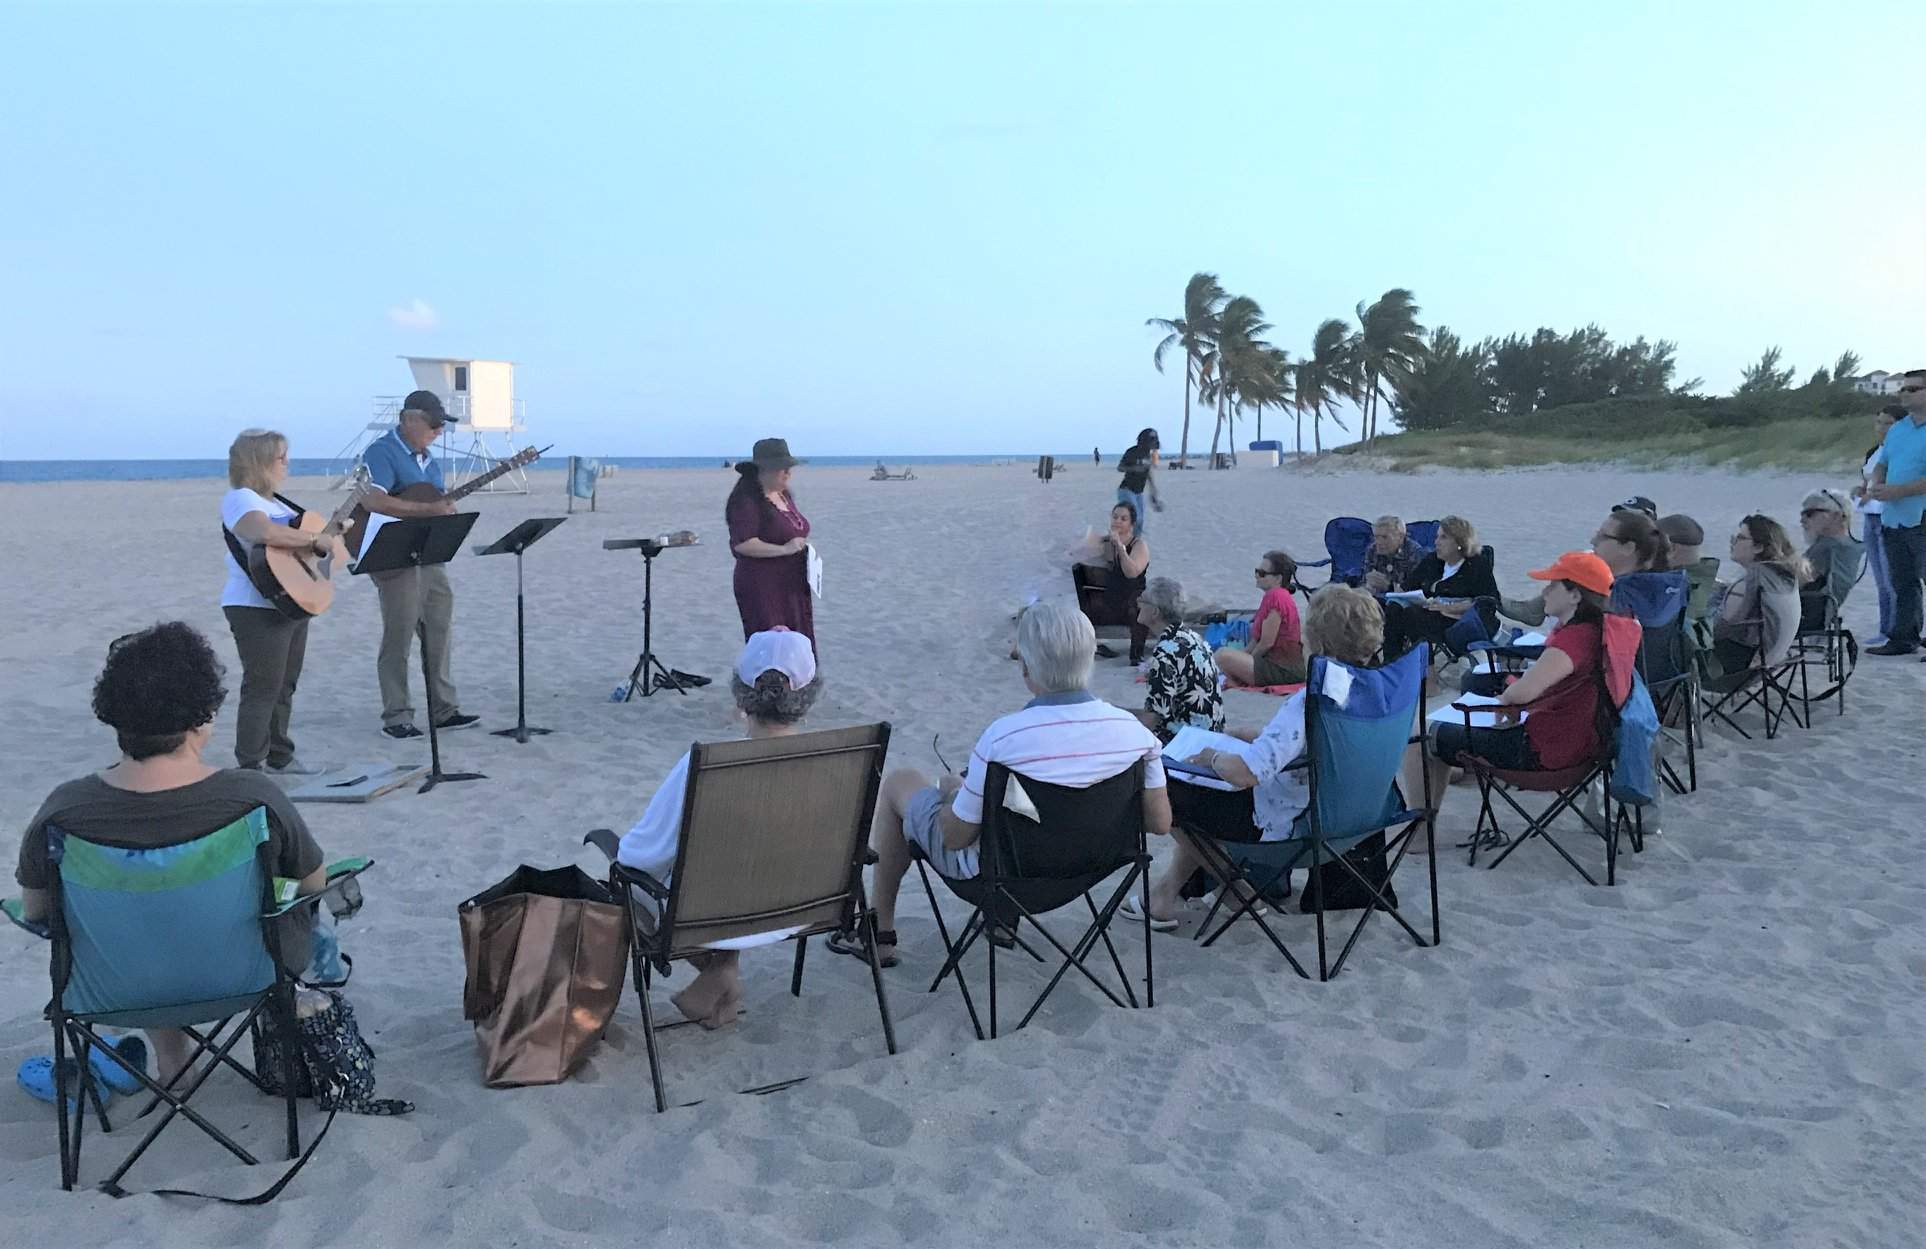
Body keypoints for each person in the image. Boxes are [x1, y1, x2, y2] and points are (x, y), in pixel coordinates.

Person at [14, 623, 327, 1086]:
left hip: (114, 989)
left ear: (114, 717)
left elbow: (38, 911)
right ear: (202, 719)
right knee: (289, 903)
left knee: (140, 917)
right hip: (246, 977)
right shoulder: (251, 797)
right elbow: (314, 883)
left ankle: (173, 1061)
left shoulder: (66, 810)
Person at [852, 597, 1171, 968]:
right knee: (1012, 808)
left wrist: (951, 795)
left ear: (1029, 669)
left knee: (901, 783)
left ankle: (881, 934)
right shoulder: (1135, 735)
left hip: (1000, 877)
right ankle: (1002, 922)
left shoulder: (1005, 739)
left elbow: (956, 838)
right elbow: (1159, 824)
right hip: (1088, 869)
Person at [1130, 586, 1386, 927]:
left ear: (1317, 641)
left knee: (1173, 793)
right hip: (1358, 816)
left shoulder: (1311, 700)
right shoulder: (1374, 692)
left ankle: (1238, 892)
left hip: (1294, 826)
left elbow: (1245, 773)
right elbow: (1313, 745)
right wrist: (1255, 736)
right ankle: (1166, 897)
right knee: (1197, 794)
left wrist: (1213, 756)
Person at [617, 630, 821, 1028]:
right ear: (810, 697)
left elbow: (638, 856)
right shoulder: (837, 763)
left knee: (629, 880)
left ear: (741, 695)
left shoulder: (707, 767)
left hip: (711, 915)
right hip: (803, 907)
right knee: (745, 863)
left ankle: (721, 973)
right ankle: (722, 975)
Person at [1408, 552, 1622, 812]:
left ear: (1575, 596)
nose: (1545, 591)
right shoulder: (1597, 632)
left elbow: (1520, 695)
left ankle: (1419, 835)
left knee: (1422, 738)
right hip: (1581, 746)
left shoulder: (1573, 641)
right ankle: (1458, 763)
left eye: (1553, 585)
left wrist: (1506, 697)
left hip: (1543, 754)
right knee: (1478, 690)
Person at [357, 390, 477, 740]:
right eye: (434, 424)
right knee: (400, 632)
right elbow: (374, 500)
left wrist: (444, 511)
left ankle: (444, 709)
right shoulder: (382, 451)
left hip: (431, 553)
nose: (439, 431)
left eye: (443, 426)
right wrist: (428, 510)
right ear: (410, 419)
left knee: (439, 628)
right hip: (394, 555)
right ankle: (397, 714)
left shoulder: (429, 460)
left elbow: (435, 502)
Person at [220, 429, 337, 774]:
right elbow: (263, 532)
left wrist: (326, 542)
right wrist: (315, 537)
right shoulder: (241, 498)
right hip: (253, 603)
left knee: (285, 683)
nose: (287, 463)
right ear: (259, 462)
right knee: (262, 685)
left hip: (291, 598)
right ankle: (250, 763)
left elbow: (306, 550)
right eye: (280, 457)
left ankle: (280, 754)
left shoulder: (280, 504)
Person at [727, 438, 814, 649]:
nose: (788, 473)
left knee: (797, 642)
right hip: (763, 584)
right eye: (782, 469)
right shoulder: (746, 501)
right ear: (763, 471)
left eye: (789, 468)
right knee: (773, 644)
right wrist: (784, 549)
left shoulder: (784, 496)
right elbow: (743, 544)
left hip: (792, 583)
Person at [1864, 371, 1926, 657]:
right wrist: (1876, 483)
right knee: (1902, 582)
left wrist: (1899, 491)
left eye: (1913, 389)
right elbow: (1883, 462)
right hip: (1893, 517)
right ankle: (1904, 638)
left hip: (1921, 515)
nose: (1905, 393)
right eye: (1904, 388)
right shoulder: (1899, 429)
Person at [1382, 515, 1499, 658]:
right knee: (1394, 608)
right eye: (1437, 537)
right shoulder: (1432, 561)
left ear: (1459, 541)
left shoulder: (1476, 565)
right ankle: (1391, 663)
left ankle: (1425, 670)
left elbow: (1490, 601)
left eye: (1443, 538)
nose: (1436, 542)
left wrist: (1451, 606)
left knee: (1411, 616)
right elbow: (1407, 587)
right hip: (1427, 614)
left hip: (1456, 622)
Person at [1132, 577, 1224, 741]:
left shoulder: (1165, 652)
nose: (1138, 603)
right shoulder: (1192, 637)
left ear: (1155, 612)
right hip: (1210, 733)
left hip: (1184, 741)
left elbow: (1153, 718)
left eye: (1142, 600)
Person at [1713, 515, 1805, 672]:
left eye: (1740, 538)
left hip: (1738, 666)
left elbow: (1721, 629)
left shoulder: (1752, 581)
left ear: (1759, 547)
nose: (1732, 542)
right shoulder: (1782, 575)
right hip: (1771, 661)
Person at [1073, 502, 1151, 664]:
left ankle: (1136, 655)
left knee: (1139, 606)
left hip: (1133, 606)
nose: (1117, 521)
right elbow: (1077, 555)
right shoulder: (1105, 544)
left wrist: (1120, 548)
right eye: (1115, 517)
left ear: (1132, 524)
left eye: (1123, 519)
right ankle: (1091, 647)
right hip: (1110, 605)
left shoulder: (1139, 545)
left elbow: (1132, 573)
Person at [1214, 551, 1306, 687]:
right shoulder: (1275, 596)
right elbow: (1256, 640)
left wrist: (1248, 661)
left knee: (1222, 656)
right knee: (1228, 656)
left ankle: (1237, 680)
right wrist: (1241, 657)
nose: (1257, 576)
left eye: (1262, 573)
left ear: (1278, 579)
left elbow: (1266, 643)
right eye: (1256, 571)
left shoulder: (1276, 597)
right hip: (1278, 664)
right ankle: (1236, 679)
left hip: (1282, 669)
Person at [1850, 406, 1902, 645]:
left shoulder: (1904, 452)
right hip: (1869, 518)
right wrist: (1860, 491)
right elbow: (1867, 482)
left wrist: (1873, 494)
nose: (1881, 428)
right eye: (1879, 422)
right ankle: (1885, 629)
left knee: (1894, 579)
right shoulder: (1874, 452)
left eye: (1887, 423)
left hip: (1890, 517)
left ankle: (1899, 631)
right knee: (1880, 579)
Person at [1797, 488, 1864, 630]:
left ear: (1836, 516)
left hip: (1804, 616)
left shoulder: (1827, 547)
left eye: (1809, 514)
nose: (1802, 520)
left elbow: (1795, 582)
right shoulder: (1849, 546)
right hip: (1825, 613)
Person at [1116, 428, 1164, 533]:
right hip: (1126, 490)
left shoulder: (1149, 455)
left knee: (1140, 522)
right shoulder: (1132, 452)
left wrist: (1153, 494)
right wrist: (1134, 468)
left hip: (1139, 493)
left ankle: (1134, 545)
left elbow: (1148, 475)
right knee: (1135, 519)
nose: (1153, 445)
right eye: (1151, 441)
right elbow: (1120, 467)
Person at [1363, 515, 1426, 594]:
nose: (1379, 542)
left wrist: (1389, 587)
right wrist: (1368, 584)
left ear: (1400, 537)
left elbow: (1416, 590)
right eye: (1376, 537)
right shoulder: (1372, 550)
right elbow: (1364, 580)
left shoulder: (1415, 553)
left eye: (1384, 537)